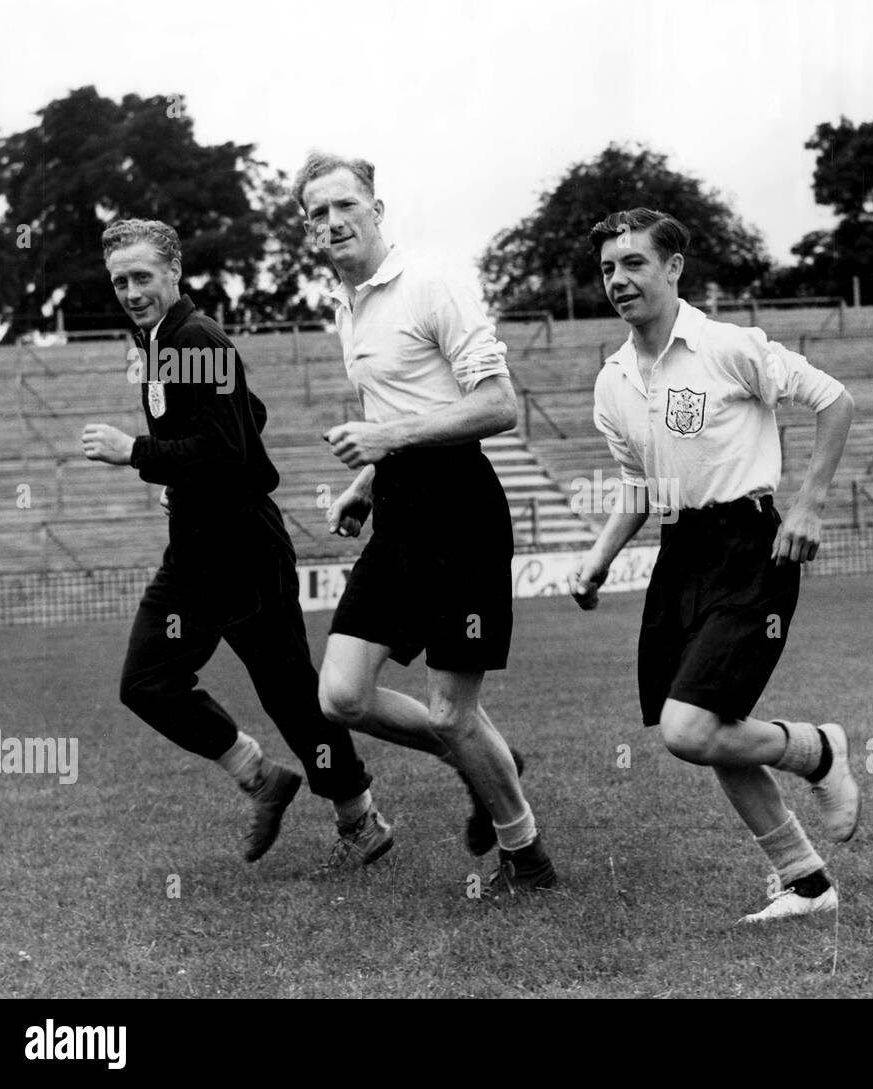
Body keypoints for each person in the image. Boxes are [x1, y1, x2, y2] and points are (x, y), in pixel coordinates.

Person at [572, 208, 859, 924]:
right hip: (681, 551)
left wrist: (808, 505)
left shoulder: (728, 346)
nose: (618, 279)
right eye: (608, 267)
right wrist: (598, 561)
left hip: (749, 546)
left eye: (634, 263)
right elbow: (642, 485)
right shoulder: (613, 381)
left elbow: (834, 399)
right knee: (713, 722)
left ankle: (820, 750)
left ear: (673, 268)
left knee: (690, 726)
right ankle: (805, 882)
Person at [82, 218, 392, 870]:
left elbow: (228, 448)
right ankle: (358, 818)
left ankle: (262, 776)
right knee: (287, 690)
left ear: (173, 271)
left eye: (142, 276)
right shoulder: (166, 341)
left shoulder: (193, 340)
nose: (131, 290)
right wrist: (181, 476)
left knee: (146, 679)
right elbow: (250, 417)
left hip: (223, 548)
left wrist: (134, 452)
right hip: (231, 536)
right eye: (120, 281)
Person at [291, 153, 555, 898]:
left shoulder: (430, 283)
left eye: (345, 205)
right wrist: (366, 483)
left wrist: (385, 443)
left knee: (450, 709)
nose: (334, 222)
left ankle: (524, 852)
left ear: (377, 207)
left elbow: (499, 406)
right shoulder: (347, 304)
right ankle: (482, 756)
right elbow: (399, 413)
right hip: (400, 506)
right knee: (340, 695)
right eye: (318, 213)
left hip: (461, 509)